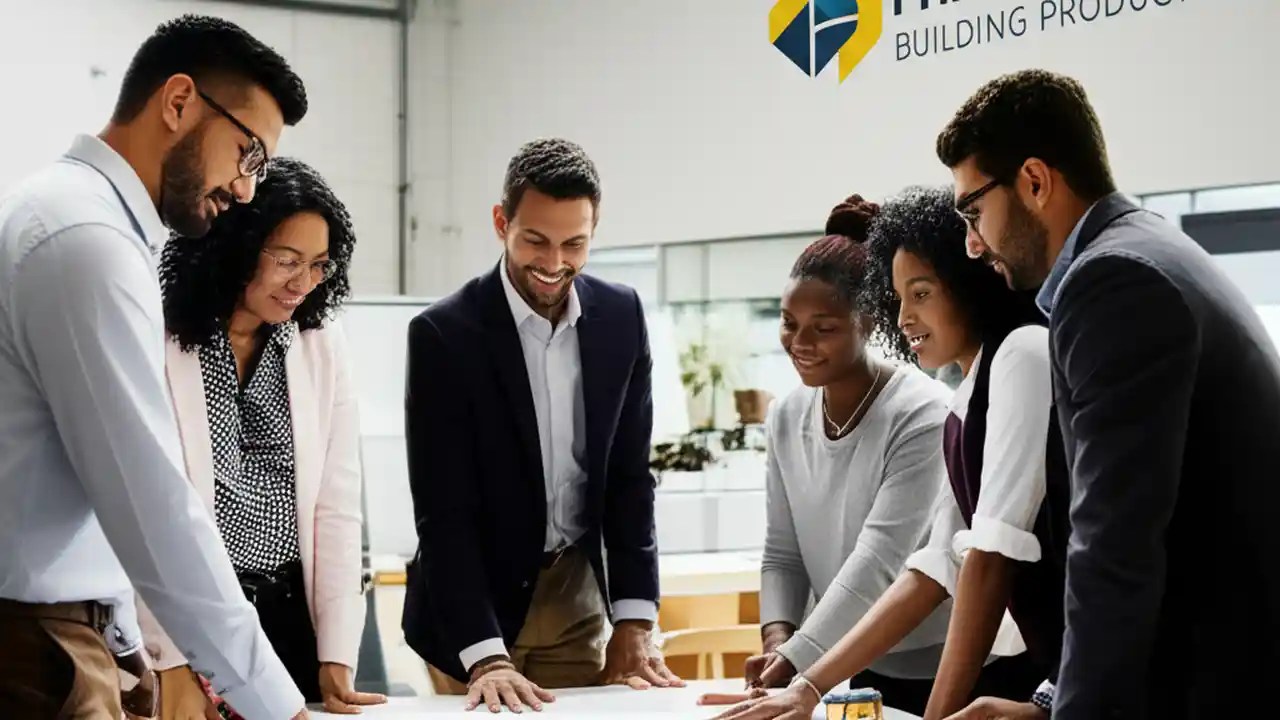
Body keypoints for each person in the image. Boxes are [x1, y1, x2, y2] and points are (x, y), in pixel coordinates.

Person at [937, 69, 1280, 720]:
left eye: (974, 211)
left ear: (1035, 181)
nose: (971, 244)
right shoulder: (1145, 253)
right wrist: (1046, 702)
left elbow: (1114, 547)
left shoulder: (1111, 283)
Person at [0, 14, 313, 720]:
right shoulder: (84, 241)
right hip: (36, 644)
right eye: (248, 153)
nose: (246, 189)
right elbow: (153, 504)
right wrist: (275, 705)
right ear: (178, 103)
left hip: (73, 630)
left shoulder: (67, 217)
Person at [709, 186, 1058, 720]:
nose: (903, 320)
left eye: (919, 294)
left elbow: (978, 562)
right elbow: (936, 566)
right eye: (898, 299)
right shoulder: (969, 397)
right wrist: (806, 684)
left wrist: (804, 669)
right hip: (1013, 679)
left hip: (1048, 674)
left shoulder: (1014, 361)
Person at [402, 137, 683, 713]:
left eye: (574, 243)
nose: (554, 263)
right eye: (535, 240)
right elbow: (443, 510)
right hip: (468, 604)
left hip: (571, 597)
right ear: (501, 221)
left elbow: (630, 479)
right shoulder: (442, 336)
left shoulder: (622, 317)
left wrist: (634, 619)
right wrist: (484, 654)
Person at [131, 157, 387, 719]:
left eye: (319, 265)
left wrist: (338, 651)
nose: (303, 282)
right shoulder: (158, 335)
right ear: (236, 248)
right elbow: (144, 514)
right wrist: (171, 657)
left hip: (290, 615)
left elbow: (336, 507)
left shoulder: (320, 342)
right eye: (287, 260)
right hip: (195, 617)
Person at [739, 195, 956, 712]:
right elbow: (782, 552)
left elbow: (878, 563)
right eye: (789, 322)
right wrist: (778, 639)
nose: (800, 341)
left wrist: (796, 660)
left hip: (947, 665)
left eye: (825, 327)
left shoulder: (924, 413)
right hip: (849, 662)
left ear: (870, 323)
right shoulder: (787, 415)